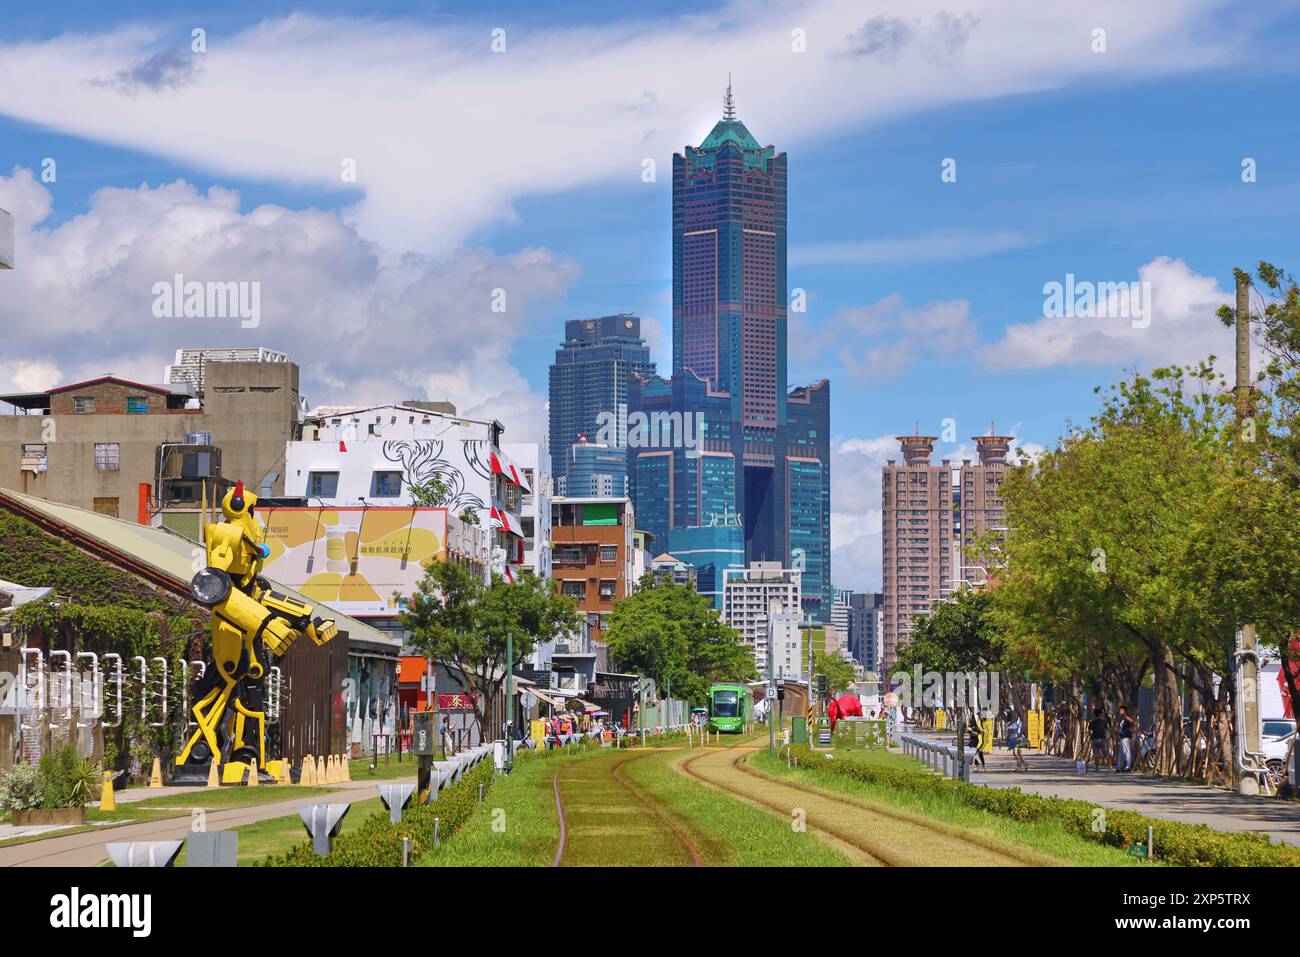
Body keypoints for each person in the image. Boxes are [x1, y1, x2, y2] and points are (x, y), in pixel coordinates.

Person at [1088, 705, 1110, 771]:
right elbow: (1107, 731)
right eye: (1102, 713)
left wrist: (1091, 736)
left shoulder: (1092, 722)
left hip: (1094, 739)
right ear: (1100, 714)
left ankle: (1097, 768)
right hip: (1102, 739)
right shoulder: (1104, 722)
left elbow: (1089, 731)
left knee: (1096, 754)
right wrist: (1107, 739)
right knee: (1106, 753)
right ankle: (1110, 765)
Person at [1116, 706, 1135, 772]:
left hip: (1126, 736)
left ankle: (1128, 767)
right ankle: (1119, 767)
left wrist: (1125, 716)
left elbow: (1132, 722)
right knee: (1121, 752)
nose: (1120, 712)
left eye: (1121, 710)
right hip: (1122, 737)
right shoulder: (1121, 719)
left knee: (1126, 752)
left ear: (1125, 711)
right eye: (1120, 710)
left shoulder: (1126, 718)